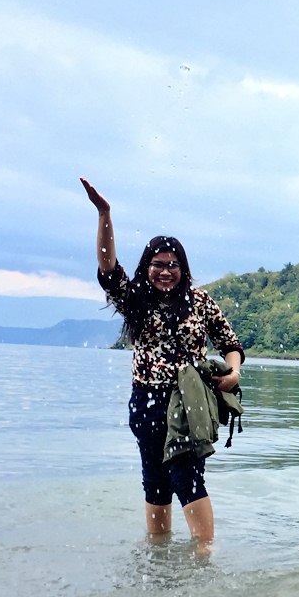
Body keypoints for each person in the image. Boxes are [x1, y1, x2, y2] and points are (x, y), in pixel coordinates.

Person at [82, 177, 244, 548]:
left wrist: (234, 372)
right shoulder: (136, 299)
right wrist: (105, 215)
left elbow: (230, 343)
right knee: (154, 480)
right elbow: (108, 269)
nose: (165, 271)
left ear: (183, 268)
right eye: (158, 265)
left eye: (172, 265)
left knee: (186, 477)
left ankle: (204, 557)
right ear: (147, 267)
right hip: (146, 402)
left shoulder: (200, 302)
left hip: (189, 405)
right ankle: (159, 563)